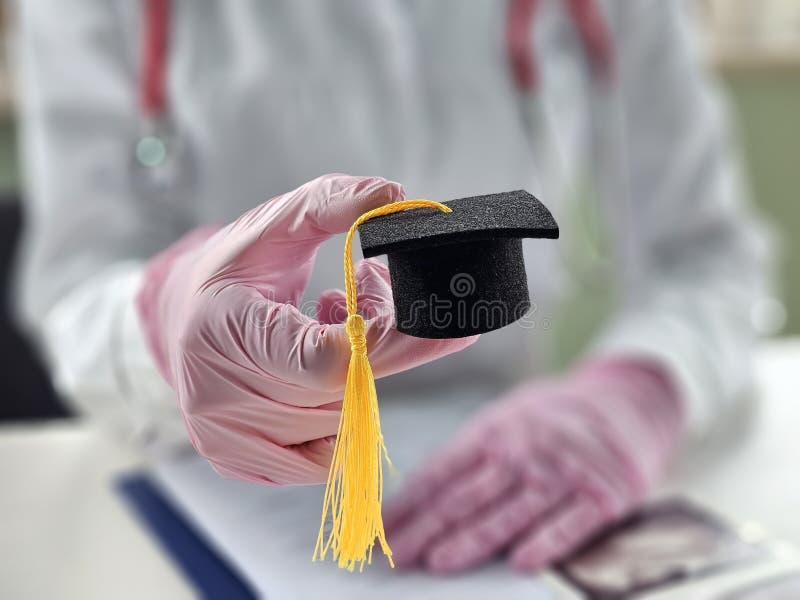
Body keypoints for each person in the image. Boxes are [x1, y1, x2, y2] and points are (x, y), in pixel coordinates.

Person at [12, 0, 770, 574]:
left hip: (502, 465)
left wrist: (639, 390)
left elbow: (707, 255)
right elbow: (75, 285)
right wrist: (160, 322)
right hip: (209, 490)